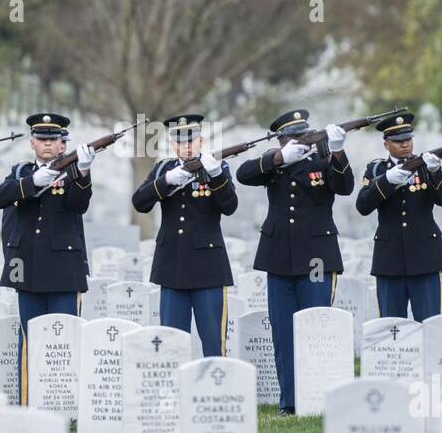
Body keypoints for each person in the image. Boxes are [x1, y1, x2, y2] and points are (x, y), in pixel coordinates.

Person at [237, 110, 352, 415]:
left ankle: (319, 397)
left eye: (303, 135)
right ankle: (289, 402)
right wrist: (279, 158)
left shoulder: (323, 160)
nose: (300, 141)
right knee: (283, 332)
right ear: (282, 141)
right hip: (278, 258)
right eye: (292, 137)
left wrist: (338, 151)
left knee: (317, 326)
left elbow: (345, 187)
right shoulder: (274, 164)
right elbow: (243, 174)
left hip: (316, 257)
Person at [0, 113, 96, 403]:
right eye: (42, 139)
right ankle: (27, 401)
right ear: (33, 143)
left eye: (54, 140)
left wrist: (83, 172)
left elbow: (79, 205)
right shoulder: (20, 172)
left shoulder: (74, 171)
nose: (48, 144)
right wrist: (32, 182)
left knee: (65, 342)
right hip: (28, 268)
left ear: (64, 145)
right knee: (29, 340)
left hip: (64, 269)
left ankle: (67, 405)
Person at [132, 114, 238, 356]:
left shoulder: (217, 167)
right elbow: (139, 202)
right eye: (180, 142)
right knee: (171, 346)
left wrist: (216, 177)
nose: (186, 146)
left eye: (190, 140)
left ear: (200, 141)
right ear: (173, 144)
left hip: (208, 269)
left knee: (213, 344)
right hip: (172, 267)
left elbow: (230, 206)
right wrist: (166, 181)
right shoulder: (163, 168)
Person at [356, 112, 442, 321]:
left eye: (408, 139)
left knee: (431, 324)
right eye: (398, 141)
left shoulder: (425, 165)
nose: (405, 145)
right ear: (386, 144)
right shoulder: (376, 169)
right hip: (390, 260)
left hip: (426, 257)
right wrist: (386, 181)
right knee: (391, 328)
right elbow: (363, 206)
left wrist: (436, 172)